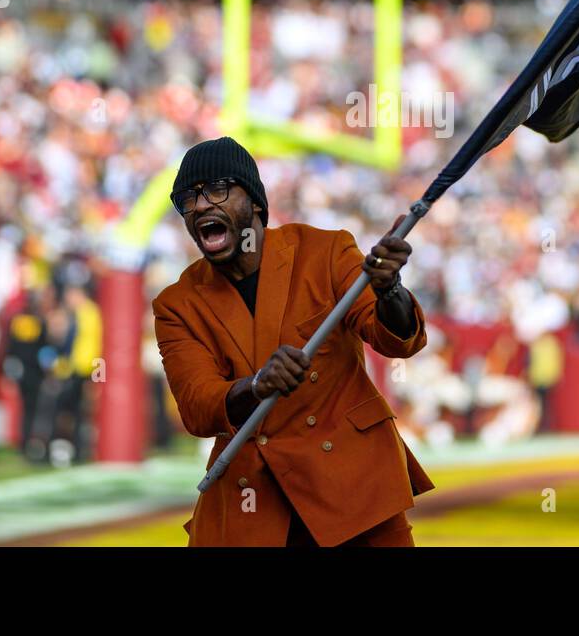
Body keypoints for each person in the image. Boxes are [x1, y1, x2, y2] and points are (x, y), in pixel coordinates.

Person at [154, 137, 433, 547]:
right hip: (257, 505)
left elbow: (394, 340)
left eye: (216, 190)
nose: (199, 206)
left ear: (255, 202)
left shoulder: (326, 250)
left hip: (352, 489)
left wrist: (389, 290)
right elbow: (197, 406)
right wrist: (256, 385)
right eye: (187, 199)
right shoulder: (176, 304)